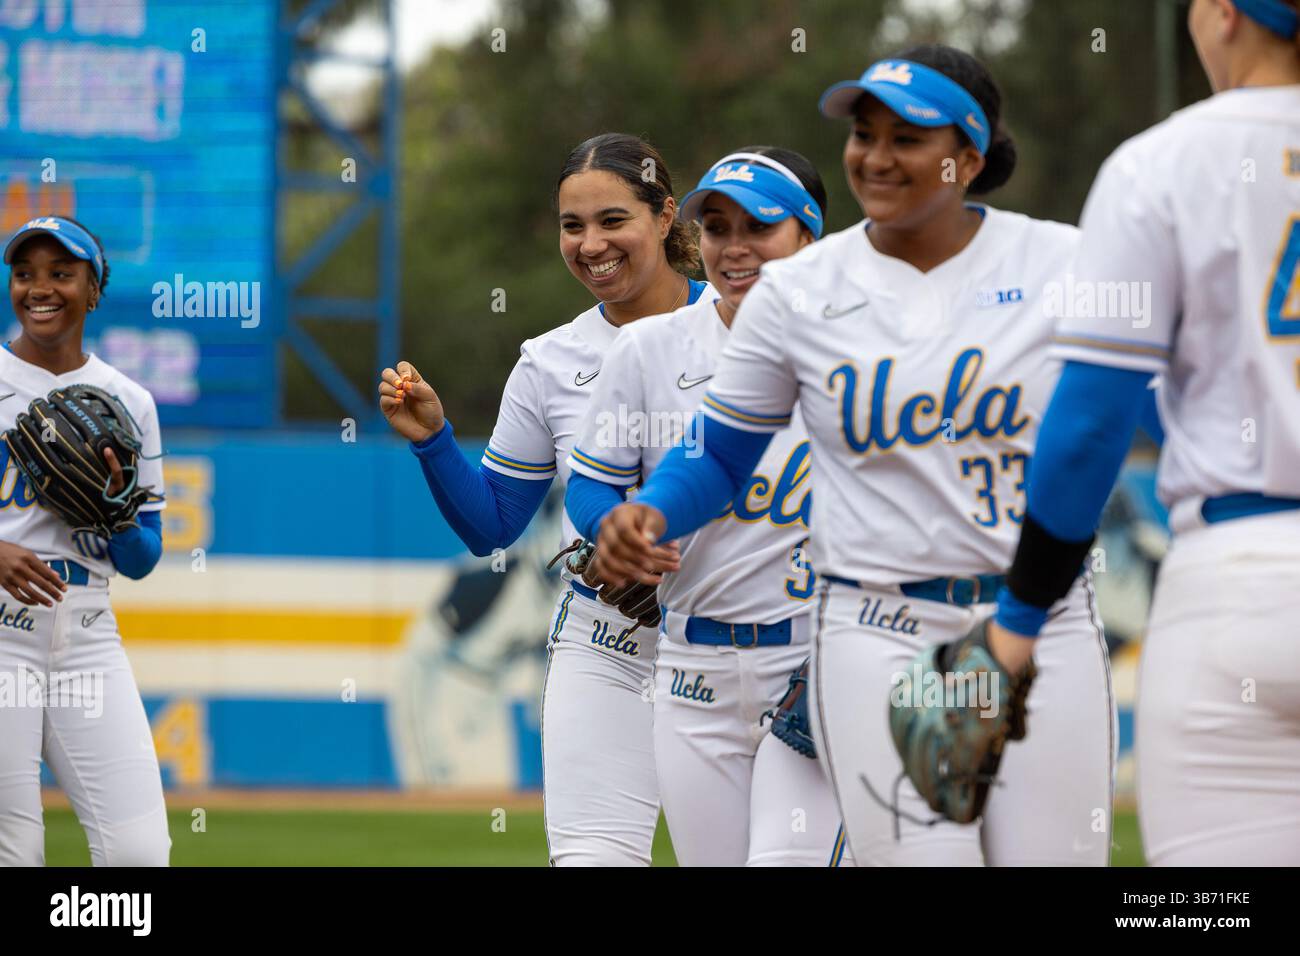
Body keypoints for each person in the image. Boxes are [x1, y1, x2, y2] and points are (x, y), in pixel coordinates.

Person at [594, 45, 1159, 865]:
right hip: (878, 628)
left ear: (967, 157)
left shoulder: (1062, 263)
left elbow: (1133, 415)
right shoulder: (800, 291)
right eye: (864, 132)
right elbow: (718, 456)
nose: (875, 155)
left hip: (1039, 622)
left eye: (907, 136)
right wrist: (650, 510)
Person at [973, 0, 1300, 866]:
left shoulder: (1163, 163)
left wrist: (1017, 619)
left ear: (1224, 15)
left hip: (1241, 569)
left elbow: (1090, 425)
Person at [379, 133, 711, 866]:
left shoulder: (744, 327)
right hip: (607, 642)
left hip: (729, 641)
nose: (591, 243)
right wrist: (434, 440)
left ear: (665, 216)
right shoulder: (551, 361)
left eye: (612, 219)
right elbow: (491, 525)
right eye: (572, 225)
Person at [565, 146, 848, 866]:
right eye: (717, 227)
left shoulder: (863, 350)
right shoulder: (649, 349)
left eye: (760, 226)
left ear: (809, 238)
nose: (735, 245)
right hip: (692, 669)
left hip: (810, 660)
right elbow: (591, 484)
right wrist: (614, 530)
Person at [0, 215, 169, 866]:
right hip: (3, 632)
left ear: (94, 290)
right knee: (15, 853)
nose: (39, 288)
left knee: (139, 855)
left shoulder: (130, 401)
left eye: (61, 274)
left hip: (87, 633)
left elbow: (143, 556)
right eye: (25, 274)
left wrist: (117, 510)